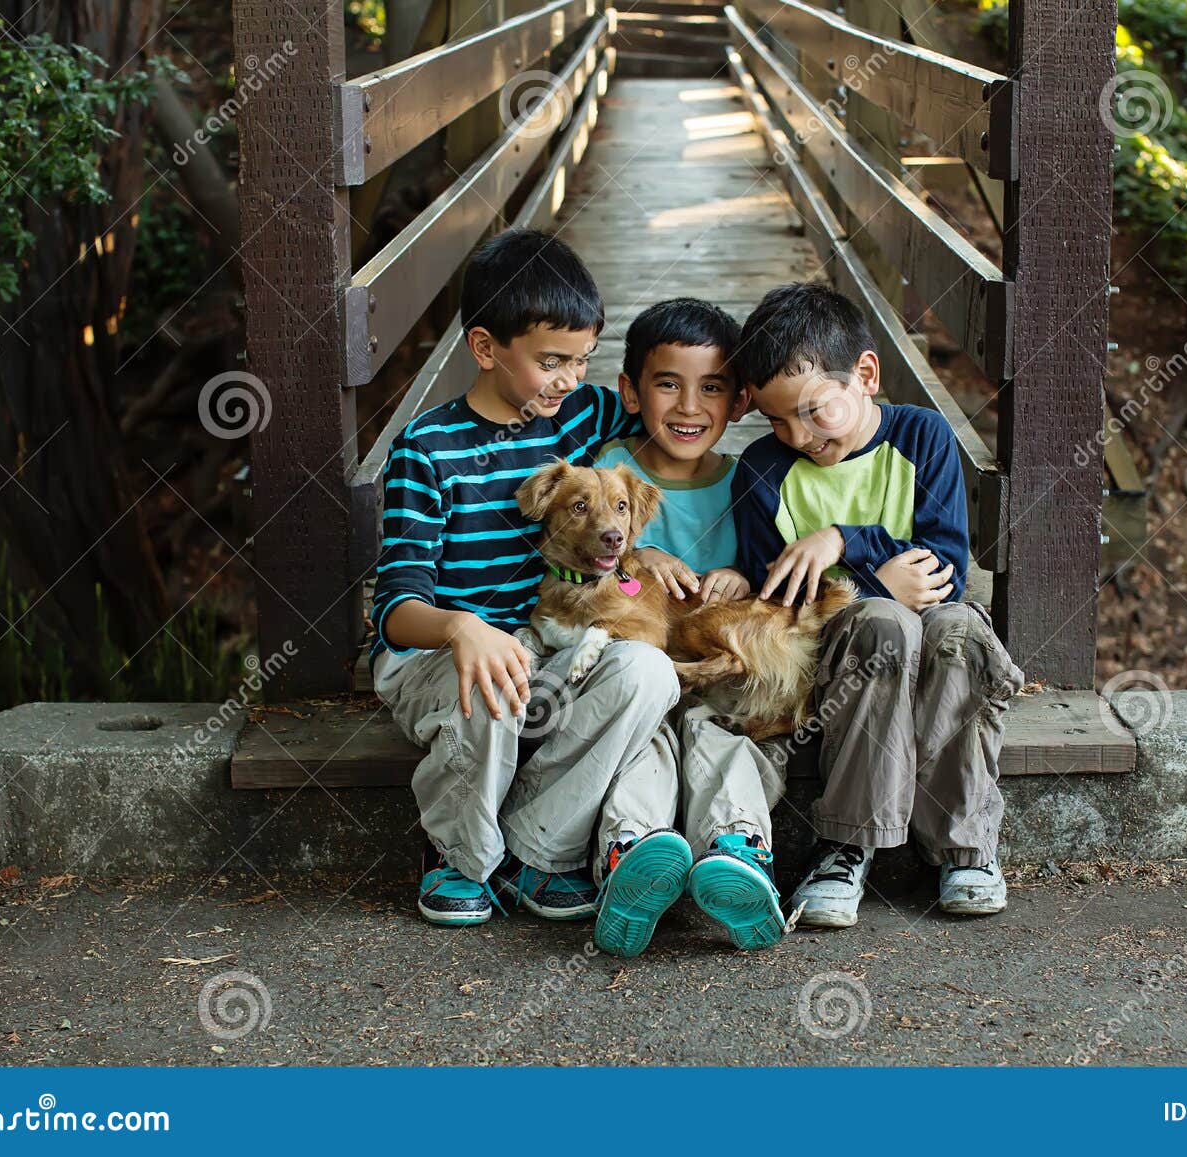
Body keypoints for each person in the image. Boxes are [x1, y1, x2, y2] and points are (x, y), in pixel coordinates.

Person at [370, 228, 684, 936]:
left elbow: (663, 406)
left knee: (649, 673)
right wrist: (460, 627)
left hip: (538, 644)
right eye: (551, 361)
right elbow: (395, 606)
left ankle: (535, 843)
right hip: (437, 651)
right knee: (495, 681)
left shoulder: (575, 413)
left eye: (583, 360)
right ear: (486, 349)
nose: (572, 379)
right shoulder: (427, 450)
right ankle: (459, 855)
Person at [731, 282, 1025, 929]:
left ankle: (965, 844)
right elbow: (773, 599)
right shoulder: (761, 471)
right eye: (778, 419)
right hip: (843, 655)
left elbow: (944, 567)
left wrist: (843, 540)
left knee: (959, 630)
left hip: (936, 637)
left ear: (865, 374)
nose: (798, 435)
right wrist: (877, 585)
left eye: (813, 411)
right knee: (885, 620)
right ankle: (845, 841)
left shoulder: (921, 437)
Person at [593, 298, 786, 952]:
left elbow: (771, 578)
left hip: (712, 673)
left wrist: (741, 576)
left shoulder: (746, 481)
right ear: (630, 389)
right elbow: (571, 573)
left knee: (720, 736)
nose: (688, 406)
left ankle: (737, 851)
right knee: (642, 738)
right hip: (638, 664)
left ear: (739, 402)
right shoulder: (607, 472)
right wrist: (629, 557)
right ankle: (632, 851)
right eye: (667, 383)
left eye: (711, 388)